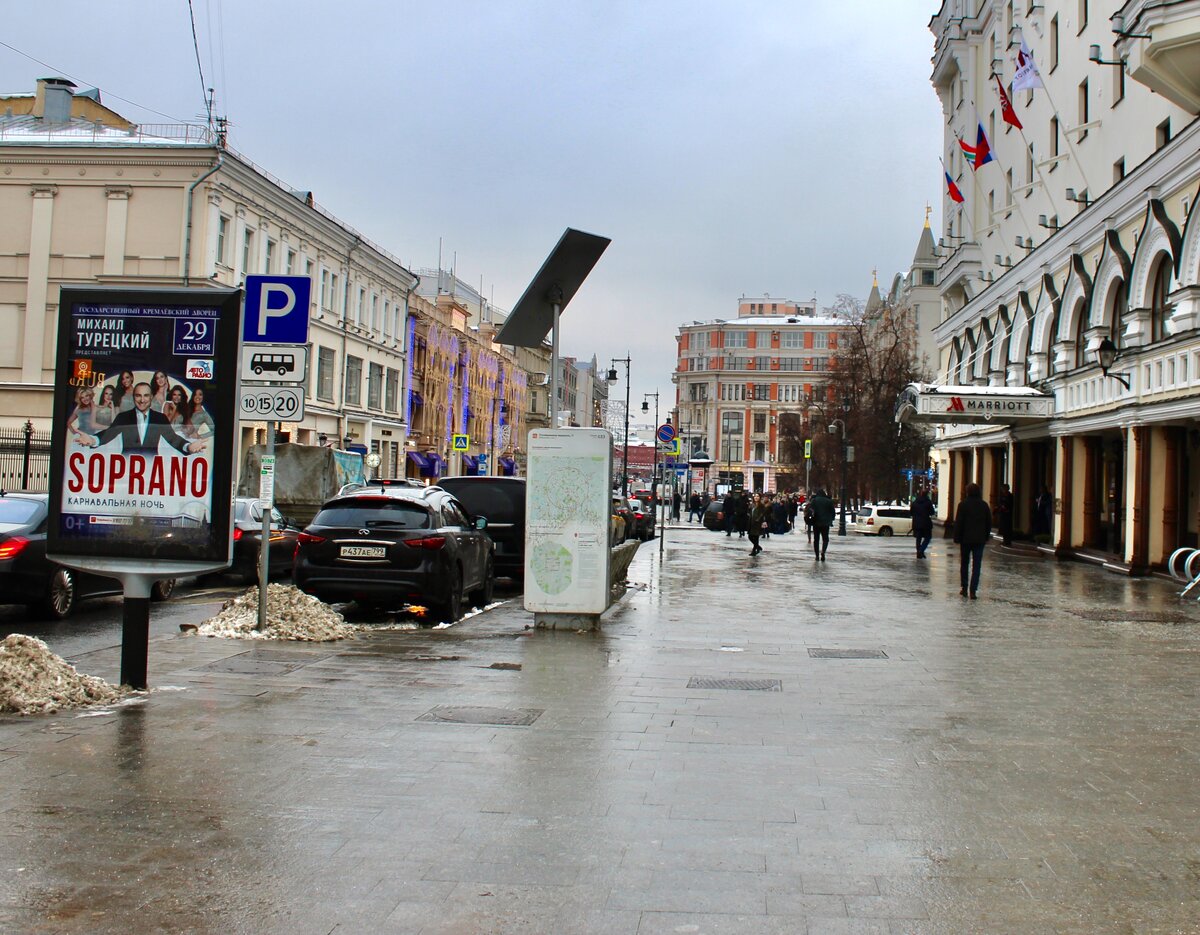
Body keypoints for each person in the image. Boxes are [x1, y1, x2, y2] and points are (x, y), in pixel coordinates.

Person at [75, 381, 206, 454]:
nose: (142, 400)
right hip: (125, 470)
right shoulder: (124, 417)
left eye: (146, 396)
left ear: (151, 398)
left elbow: (173, 439)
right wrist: (92, 440)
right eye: (138, 396)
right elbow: (108, 434)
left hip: (151, 470)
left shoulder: (160, 418)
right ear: (134, 397)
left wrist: (188, 447)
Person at [953, 483, 992, 598]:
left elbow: (959, 523)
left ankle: (964, 587)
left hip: (965, 539)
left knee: (964, 563)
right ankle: (973, 590)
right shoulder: (984, 505)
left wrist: (957, 537)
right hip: (979, 540)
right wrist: (986, 536)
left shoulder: (963, 505)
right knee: (977, 565)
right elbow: (989, 522)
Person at [807, 488, 836, 561]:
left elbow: (810, 510)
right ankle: (823, 552)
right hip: (826, 523)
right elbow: (833, 512)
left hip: (816, 523)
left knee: (816, 540)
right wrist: (831, 519)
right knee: (825, 539)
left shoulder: (814, 500)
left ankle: (817, 555)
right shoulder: (828, 501)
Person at [911, 487, 935, 559]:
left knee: (918, 538)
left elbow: (911, 513)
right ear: (927, 494)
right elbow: (932, 512)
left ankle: (919, 551)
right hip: (926, 523)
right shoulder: (928, 502)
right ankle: (921, 551)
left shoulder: (915, 502)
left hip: (916, 523)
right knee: (928, 537)